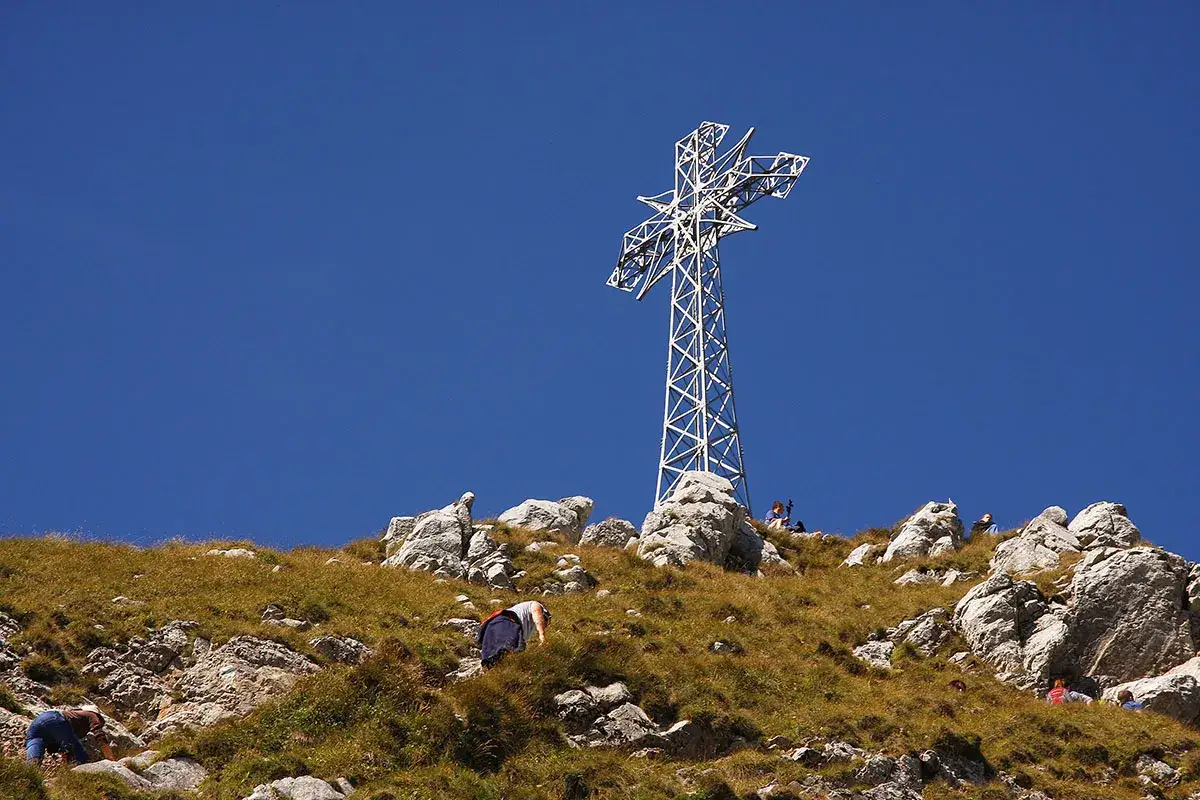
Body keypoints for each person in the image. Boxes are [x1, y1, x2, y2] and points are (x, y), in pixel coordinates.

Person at [25, 705, 112, 765]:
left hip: (35, 724)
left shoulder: (73, 716)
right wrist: (110, 758)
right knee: (81, 757)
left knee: (33, 760)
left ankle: (29, 777)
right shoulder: (91, 714)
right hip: (55, 719)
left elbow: (59, 745)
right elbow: (99, 734)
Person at [477, 600, 551, 668]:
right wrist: (542, 635)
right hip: (505, 622)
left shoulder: (527, 628)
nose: (545, 625)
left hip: (492, 628)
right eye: (546, 622)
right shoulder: (536, 605)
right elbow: (538, 617)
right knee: (512, 649)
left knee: (494, 659)